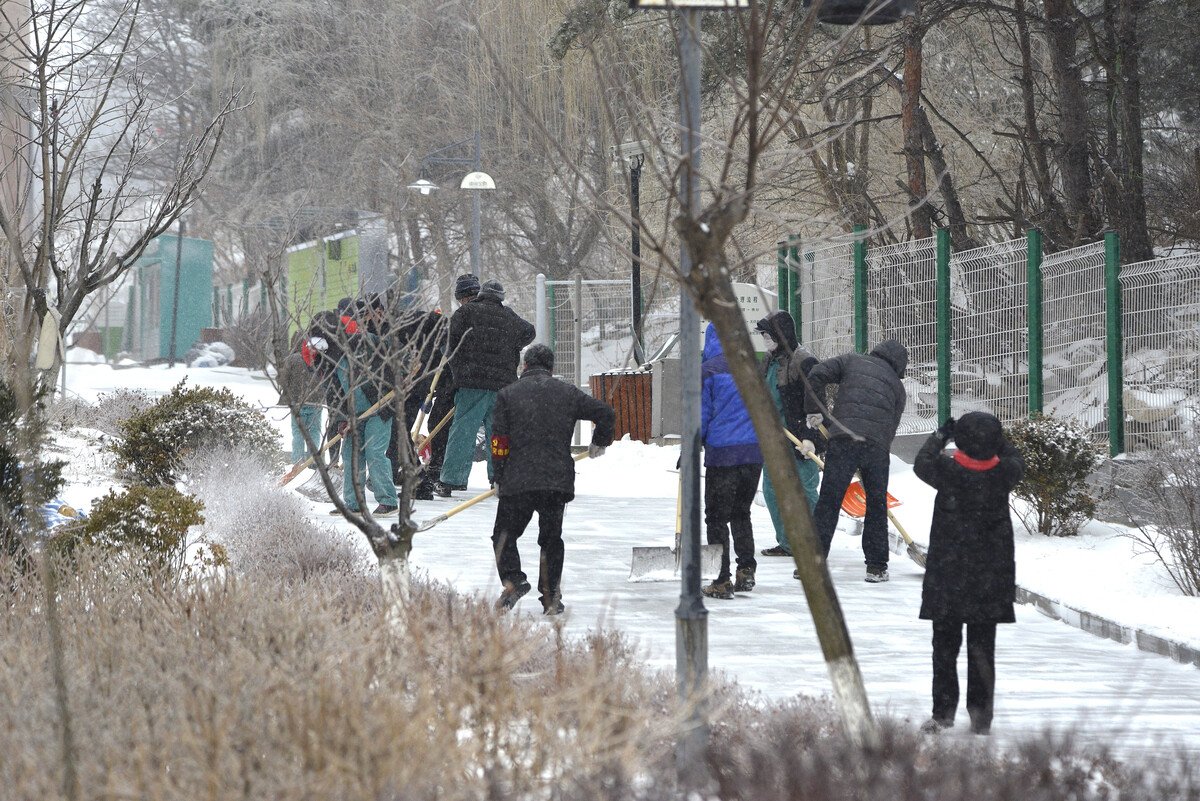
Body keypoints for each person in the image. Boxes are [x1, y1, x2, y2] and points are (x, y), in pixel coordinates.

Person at [913, 412, 1024, 736]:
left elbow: (922, 460)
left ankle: (943, 713)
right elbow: (1014, 456)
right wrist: (996, 440)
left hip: (948, 579)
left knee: (944, 649)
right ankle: (981, 718)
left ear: (958, 441)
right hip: (989, 582)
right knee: (982, 650)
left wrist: (940, 435)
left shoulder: (946, 472)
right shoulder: (1003, 474)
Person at [489, 344, 615, 614]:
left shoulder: (507, 395)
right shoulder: (567, 393)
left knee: (503, 535)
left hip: (518, 479)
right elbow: (606, 413)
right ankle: (550, 597)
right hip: (555, 481)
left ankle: (514, 582)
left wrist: (498, 476)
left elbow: (500, 441)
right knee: (551, 539)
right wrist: (599, 442)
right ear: (551, 368)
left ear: (524, 366)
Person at [802, 339, 908, 582]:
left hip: (843, 439)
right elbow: (891, 427)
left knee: (829, 500)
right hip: (876, 447)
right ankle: (877, 567)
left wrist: (815, 410)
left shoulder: (852, 360)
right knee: (877, 505)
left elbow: (816, 373)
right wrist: (875, 453)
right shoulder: (897, 387)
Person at [436, 277, 535, 497]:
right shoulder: (508, 315)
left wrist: (460, 364)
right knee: (499, 433)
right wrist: (511, 345)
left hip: (472, 383)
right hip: (503, 386)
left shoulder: (466, 312)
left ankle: (451, 481)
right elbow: (529, 331)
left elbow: (449, 342)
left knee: (463, 431)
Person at [699, 322, 762, 600]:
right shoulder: (754, 370)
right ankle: (746, 569)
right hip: (752, 454)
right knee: (741, 512)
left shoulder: (709, 371)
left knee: (716, 517)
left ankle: (721, 579)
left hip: (723, 456)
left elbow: (701, 415)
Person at [754, 311, 824, 557]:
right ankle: (788, 542)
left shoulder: (804, 361)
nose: (764, 339)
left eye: (767, 334)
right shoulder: (769, 360)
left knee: (804, 489)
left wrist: (810, 437)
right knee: (773, 489)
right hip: (773, 437)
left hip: (798, 438)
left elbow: (816, 403)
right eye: (762, 335)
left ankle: (816, 542)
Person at [327, 303, 399, 517]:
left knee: (375, 453)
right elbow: (335, 393)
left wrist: (398, 378)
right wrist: (341, 418)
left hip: (379, 408)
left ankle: (388, 500)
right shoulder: (333, 359)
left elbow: (397, 355)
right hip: (354, 414)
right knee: (350, 455)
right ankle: (354, 503)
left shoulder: (366, 343)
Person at [279, 345, 324, 465]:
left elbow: (282, 379)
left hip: (297, 402)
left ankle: (297, 461)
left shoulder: (292, 359)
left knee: (298, 432)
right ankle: (312, 460)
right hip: (316, 402)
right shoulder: (320, 358)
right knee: (314, 432)